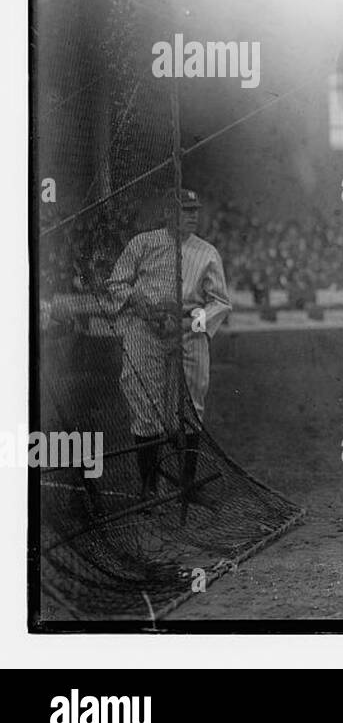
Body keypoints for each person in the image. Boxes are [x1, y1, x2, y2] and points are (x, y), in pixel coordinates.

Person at [104, 189, 231, 505]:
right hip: (145, 327)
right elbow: (116, 283)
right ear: (167, 214)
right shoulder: (142, 243)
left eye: (195, 210)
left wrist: (191, 321)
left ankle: (187, 486)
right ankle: (149, 488)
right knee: (144, 402)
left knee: (191, 403)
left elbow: (220, 303)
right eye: (185, 210)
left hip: (187, 328)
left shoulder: (207, 253)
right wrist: (138, 301)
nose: (192, 215)